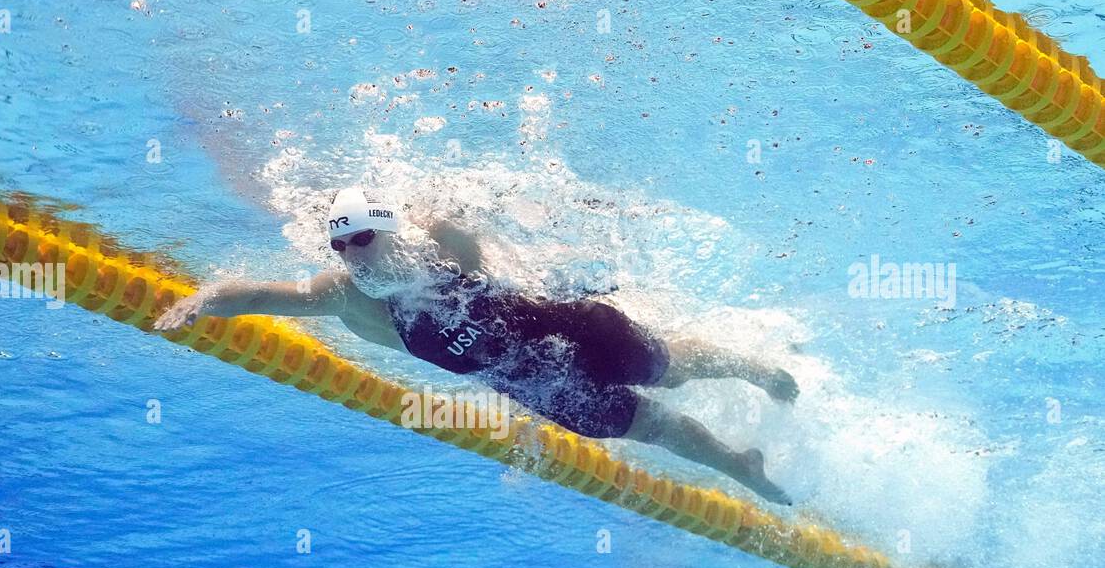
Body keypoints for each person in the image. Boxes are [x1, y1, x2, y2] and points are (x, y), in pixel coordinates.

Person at [155, 188, 798, 503]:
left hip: (573, 329)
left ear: (387, 231)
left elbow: (519, 258)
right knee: (653, 429)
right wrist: (203, 302)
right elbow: (263, 296)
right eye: (339, 246)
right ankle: (739, 466)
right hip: (534, 383)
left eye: (361, 240)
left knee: (672, 370)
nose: (352, 257)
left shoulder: (442, 245)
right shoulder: (348, 300)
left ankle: (755, 369)